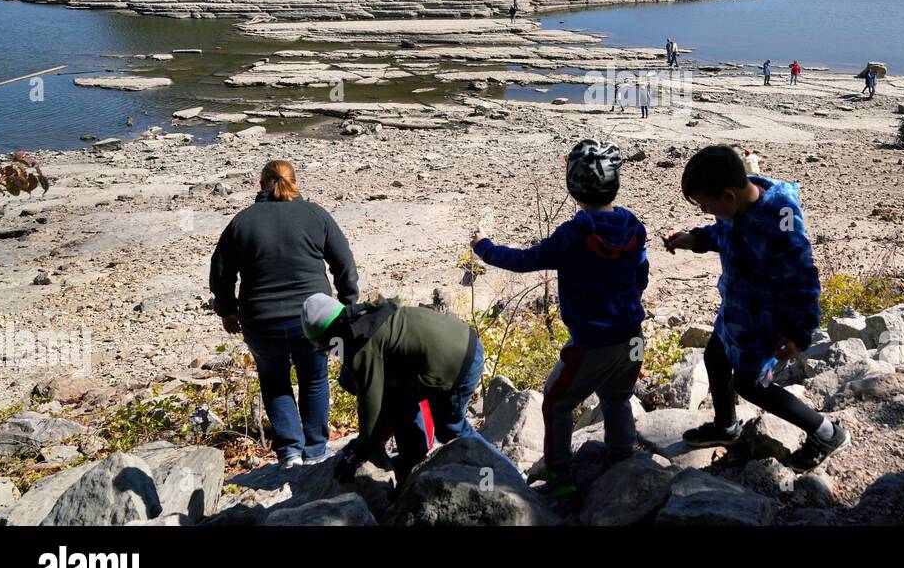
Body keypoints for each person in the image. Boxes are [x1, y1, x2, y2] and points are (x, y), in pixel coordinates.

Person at [472, 140, 648, 497]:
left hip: (591, 342)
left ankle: (560, 478)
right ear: (616, 184)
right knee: (618, 397)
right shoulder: (634, 227)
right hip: (632, 336)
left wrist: (484, 247)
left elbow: (524, 261)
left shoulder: (574, 234)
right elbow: (641, 275)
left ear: (573, 187)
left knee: (557, 401)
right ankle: (622, 459)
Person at [663, 146, 848, 470]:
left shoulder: (779, 222)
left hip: (765, 325)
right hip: (736, 313)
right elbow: (722, 232)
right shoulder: (734, 207)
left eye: (707, 206)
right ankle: (726, 426)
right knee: (714, 357)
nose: (707, 212)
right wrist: (695, 238)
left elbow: (803, 279)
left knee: (751, 386)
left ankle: (826, 432)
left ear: (728, 196)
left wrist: (799, 334)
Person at [209, 160, 358, 469]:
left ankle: (290, 452)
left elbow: (221, 273)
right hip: (314, 317)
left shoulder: (243, 222)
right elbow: (344, 262)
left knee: (274, 381)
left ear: (261, 185)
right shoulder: (316, 215)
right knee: (315, 378)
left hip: (262, 320)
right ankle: (316, 450)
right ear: (295, 181)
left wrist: (226, 310)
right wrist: (348, 304)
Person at [304, 293, 484, 482]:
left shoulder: (363, 347)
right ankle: (413, 459)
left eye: (326, 348)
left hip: (459, 363)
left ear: (330, 337)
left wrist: (360, 451)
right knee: (394, 397)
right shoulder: (364, 317)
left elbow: (370, 402)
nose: (330, 353)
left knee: (451, 430)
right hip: (463, 339)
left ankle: (496, 474)